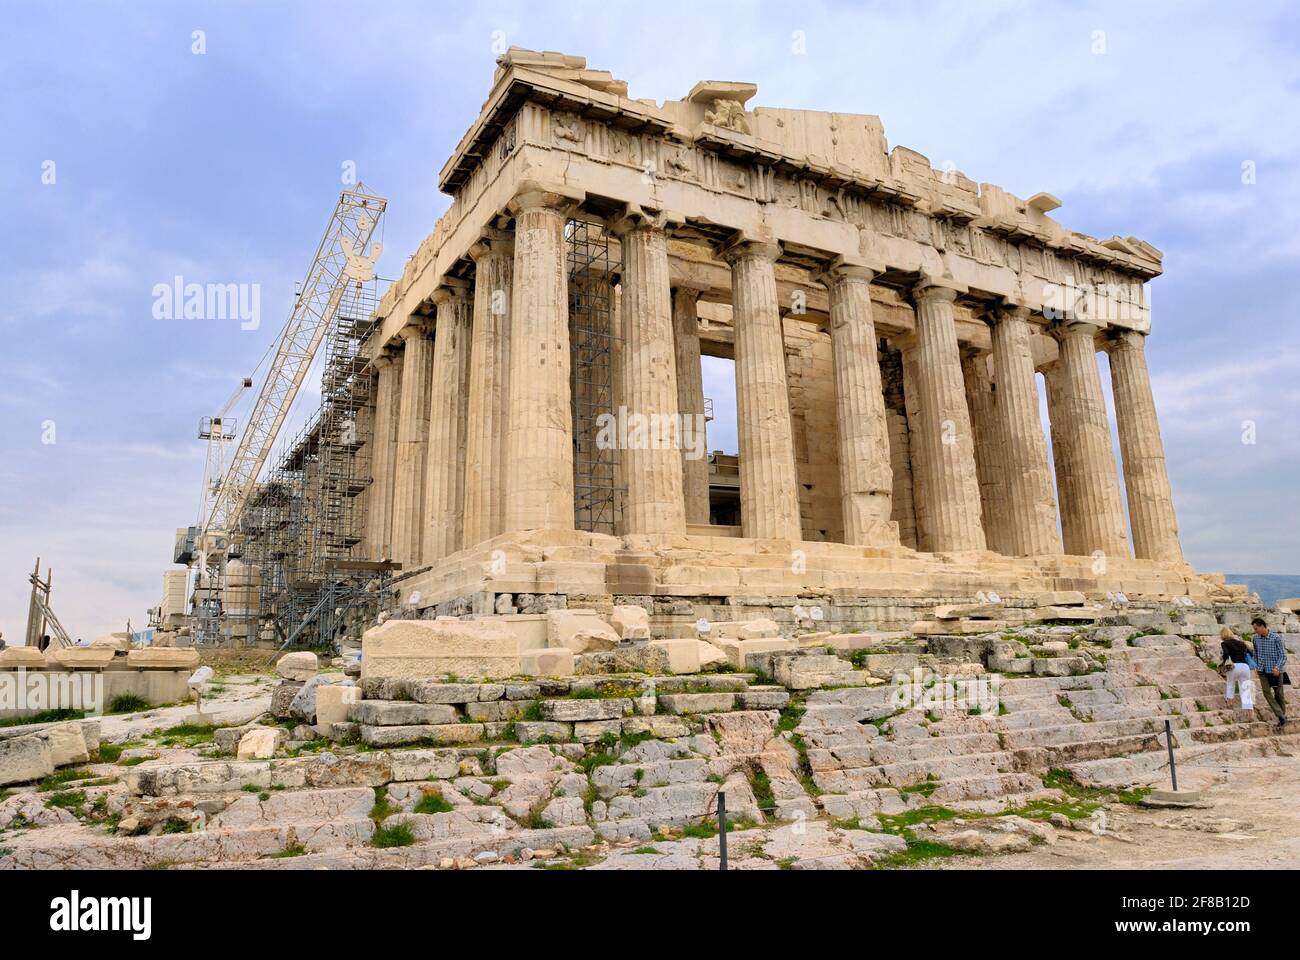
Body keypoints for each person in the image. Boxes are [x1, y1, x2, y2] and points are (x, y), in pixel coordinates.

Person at [1251, 617, 1288, 727]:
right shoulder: (1255, 638)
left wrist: (1277, 667)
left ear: (1262, 626)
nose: (1255, 631)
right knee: (1266, 692)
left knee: (1279, 694)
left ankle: (1282, 716)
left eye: (1256, 628)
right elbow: (1255, 654)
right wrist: (1256, 666)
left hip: (1275, 671)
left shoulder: (1276, 638)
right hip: (1262, 670)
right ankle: (1280, 714)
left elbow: (1283, 656)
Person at [1220, 627, 1255, 712]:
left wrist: (1223, 662)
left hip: (1234, 666)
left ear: (1223, 635)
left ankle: (1230, 703)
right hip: (1245, 667)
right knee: (1246, 689)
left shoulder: (1224, 643)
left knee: (1230, 684)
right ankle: (1250, 712)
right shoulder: (1241, 643)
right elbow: (1251, 653)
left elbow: (1226, 654)